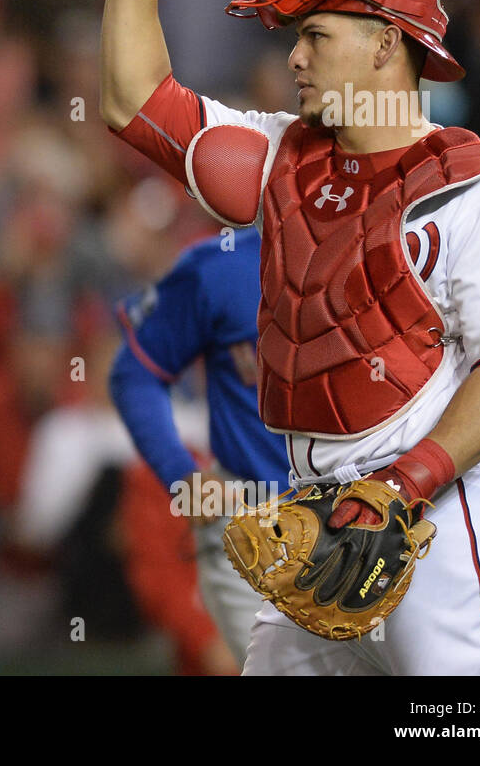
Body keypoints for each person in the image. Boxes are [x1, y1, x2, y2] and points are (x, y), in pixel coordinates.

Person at [101, 0, 480, 675]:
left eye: (315, 35)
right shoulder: (283, 160)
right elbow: (134, 103)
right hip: (320, 525)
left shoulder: (472, 191)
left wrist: (402, 485)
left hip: (441, 521)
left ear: (386, 41)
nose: (295, 57)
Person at [108, 226, 286, 666]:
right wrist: (181, 474)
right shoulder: (223, 266)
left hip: (374, 515)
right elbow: (136, 373)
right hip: (256, 515)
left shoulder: (398, 245)